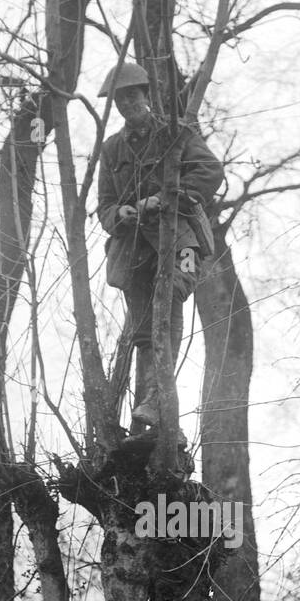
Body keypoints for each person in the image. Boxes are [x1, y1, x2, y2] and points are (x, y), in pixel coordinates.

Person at [96, 61, 224, 428]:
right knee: (143, 332)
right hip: (135, 251)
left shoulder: (175, 133)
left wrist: (169, 198)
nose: (127, 105)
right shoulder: (111, 150)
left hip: (183, 244)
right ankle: (155, 416)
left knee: (168, 307)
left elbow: (210, 171)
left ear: (146, 95)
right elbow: (104, 207)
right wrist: (123, 213)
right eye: (120, 100)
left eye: (132, 96)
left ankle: (158, 402)